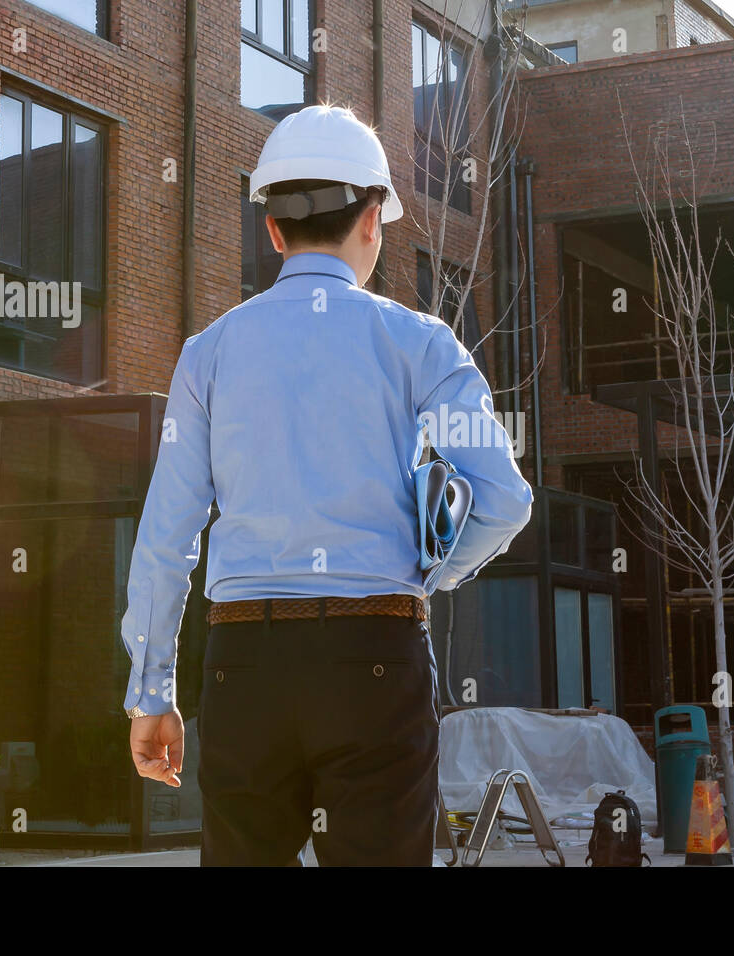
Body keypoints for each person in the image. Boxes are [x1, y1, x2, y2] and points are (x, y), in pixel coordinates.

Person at [118, 105, 533, 866]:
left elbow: (166, 538)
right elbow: (503, 496)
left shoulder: (206, 355)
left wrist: (152, 693)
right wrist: (423, 576)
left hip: (242, 664)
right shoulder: (421, 343)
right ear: (374, 218)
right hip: (375, 653)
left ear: (272, 231)